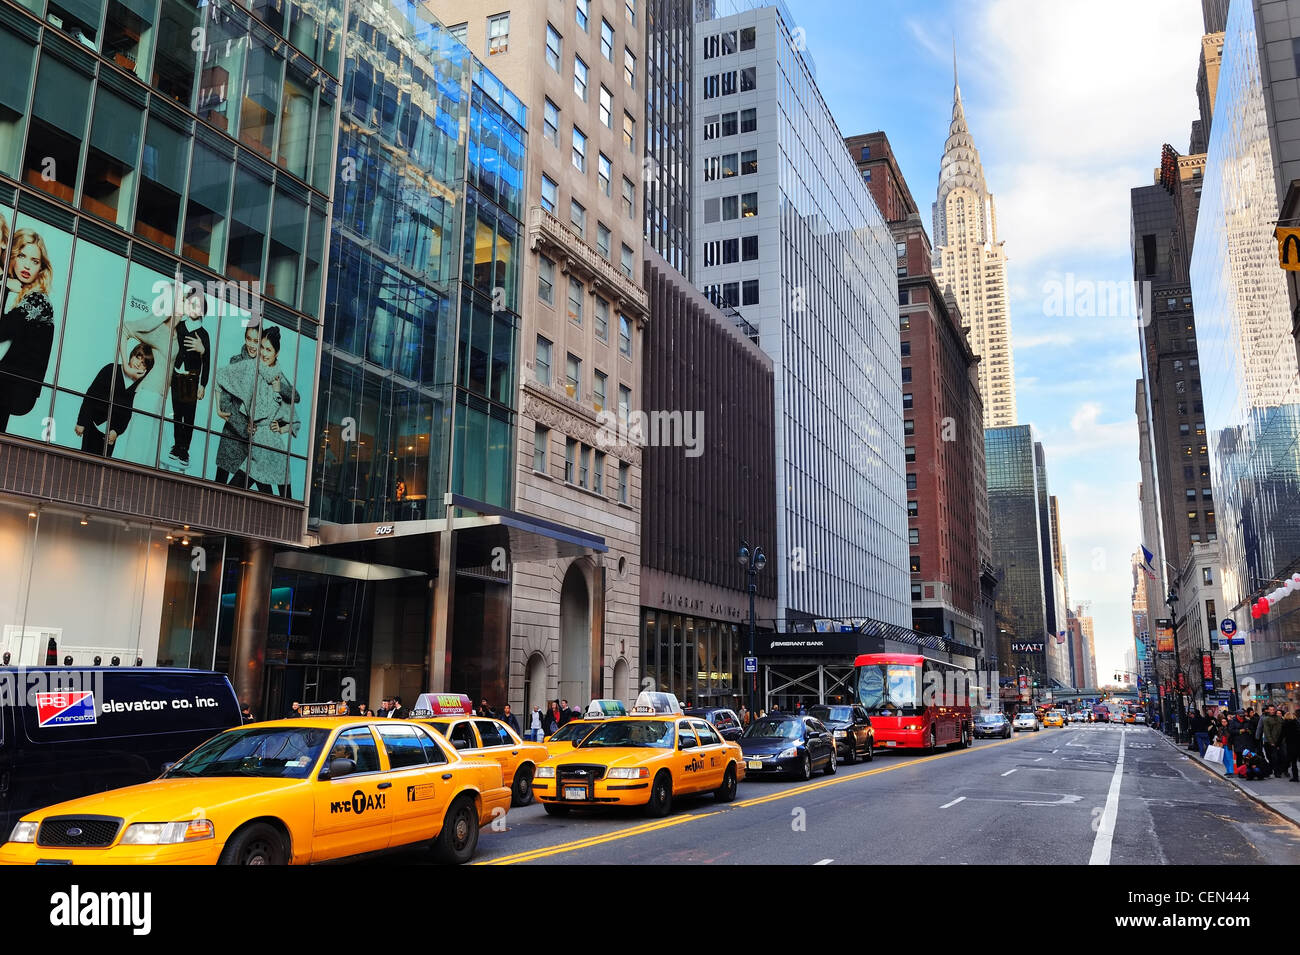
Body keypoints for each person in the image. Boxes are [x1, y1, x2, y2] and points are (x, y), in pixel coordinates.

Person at [215, 326, 297, 497]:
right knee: (228, 490)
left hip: (271, 445)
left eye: (268, 349)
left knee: (283, 498)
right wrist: (219, 409)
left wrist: (282, 427)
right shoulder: (247, 366)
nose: (262, 352)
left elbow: (294, 401)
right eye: (262, 347)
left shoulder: (278, 376)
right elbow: (220, 379)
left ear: (277, 352)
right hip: (247, 439)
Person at [0, 229, 55, 433]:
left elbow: (2, 330)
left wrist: (4, 287)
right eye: (22, 256)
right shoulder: (22, 296)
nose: (26, 265)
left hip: (13, 387)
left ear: (41, 268)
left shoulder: (38, 300)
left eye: (34, 261)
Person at [75, 344, 154, 456]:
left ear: (146, 369)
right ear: (131, 355)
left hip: (110, 435)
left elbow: (126, 414)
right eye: (137, 358)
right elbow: (90, 396)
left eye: (143, 363)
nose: (138, 364)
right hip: (93, 424)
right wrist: (81, 422)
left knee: (102, 468)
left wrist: (116, 431)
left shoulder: (137, 385)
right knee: (85, 461)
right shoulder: (111, 369)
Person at [166, 286, 210, 470]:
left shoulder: (204, 334)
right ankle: (177, 446)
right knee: (177, 414)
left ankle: (185, 449)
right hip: (177, 376)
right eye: (191, 303)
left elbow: (207, 361)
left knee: (189, 417)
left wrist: (203, 385)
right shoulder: (180, 326)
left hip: (192, 379)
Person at [1260, 705, 1284, 777]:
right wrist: (1271, 742)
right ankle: (1274, 770)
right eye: (1270, 710)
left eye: (1273, 709)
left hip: (1279, 741)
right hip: (1270, 742)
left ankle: (1278, 771)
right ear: (1268, 710)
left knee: (1279, 757)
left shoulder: (1279, 719)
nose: (1272, 711)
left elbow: (1282, 730)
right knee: (1271, 757)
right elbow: (1267, 731)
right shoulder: (1266, 719)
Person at [1281, 709, 1300, 783]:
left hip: (1290, 746)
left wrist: (1276, 744)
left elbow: (1282, 736)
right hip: (1298, 745)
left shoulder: (1285, 725)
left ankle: (1295, 777)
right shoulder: (1297, 723)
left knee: (1293, 762)